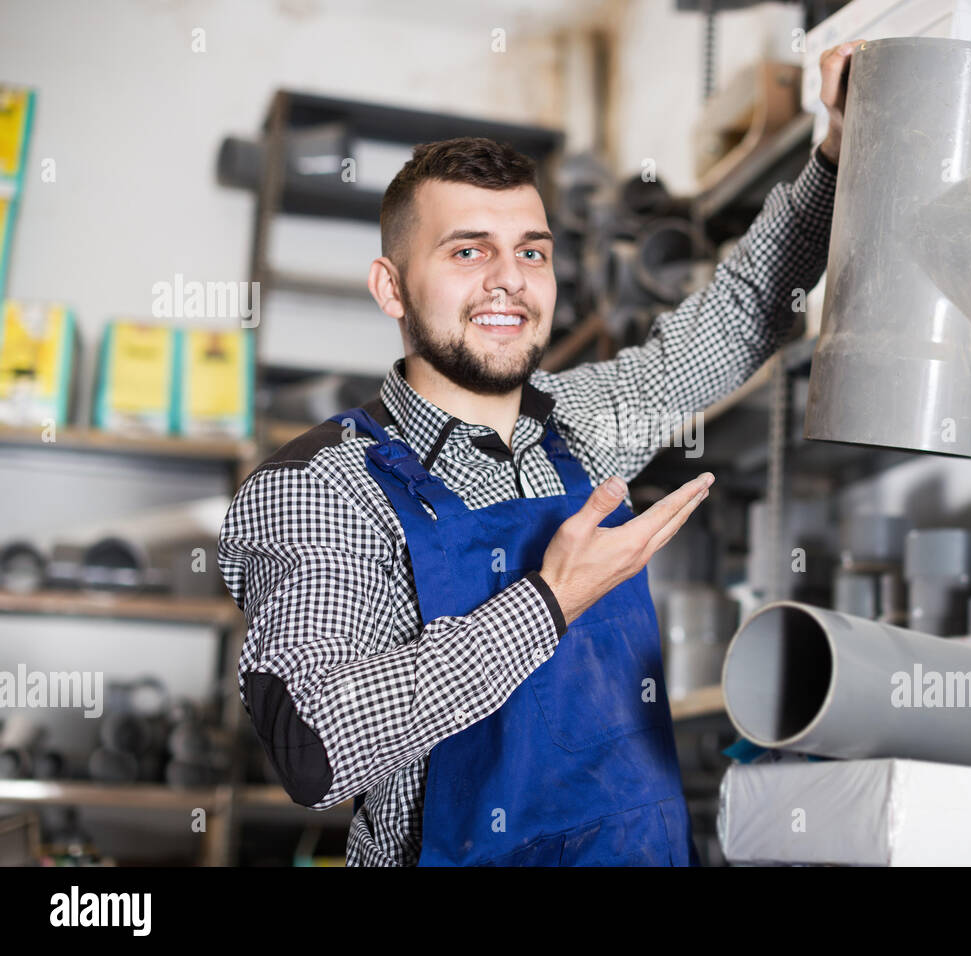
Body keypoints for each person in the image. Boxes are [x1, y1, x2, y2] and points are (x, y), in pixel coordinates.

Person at [218, 41, 859, 866]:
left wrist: (838, 149)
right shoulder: (323, 486)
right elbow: (316, 746)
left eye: (531, 251)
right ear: (390, 287)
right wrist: (549, 601)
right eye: (466, 250)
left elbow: (737, 314)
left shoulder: (582, 425)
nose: (508, 280)